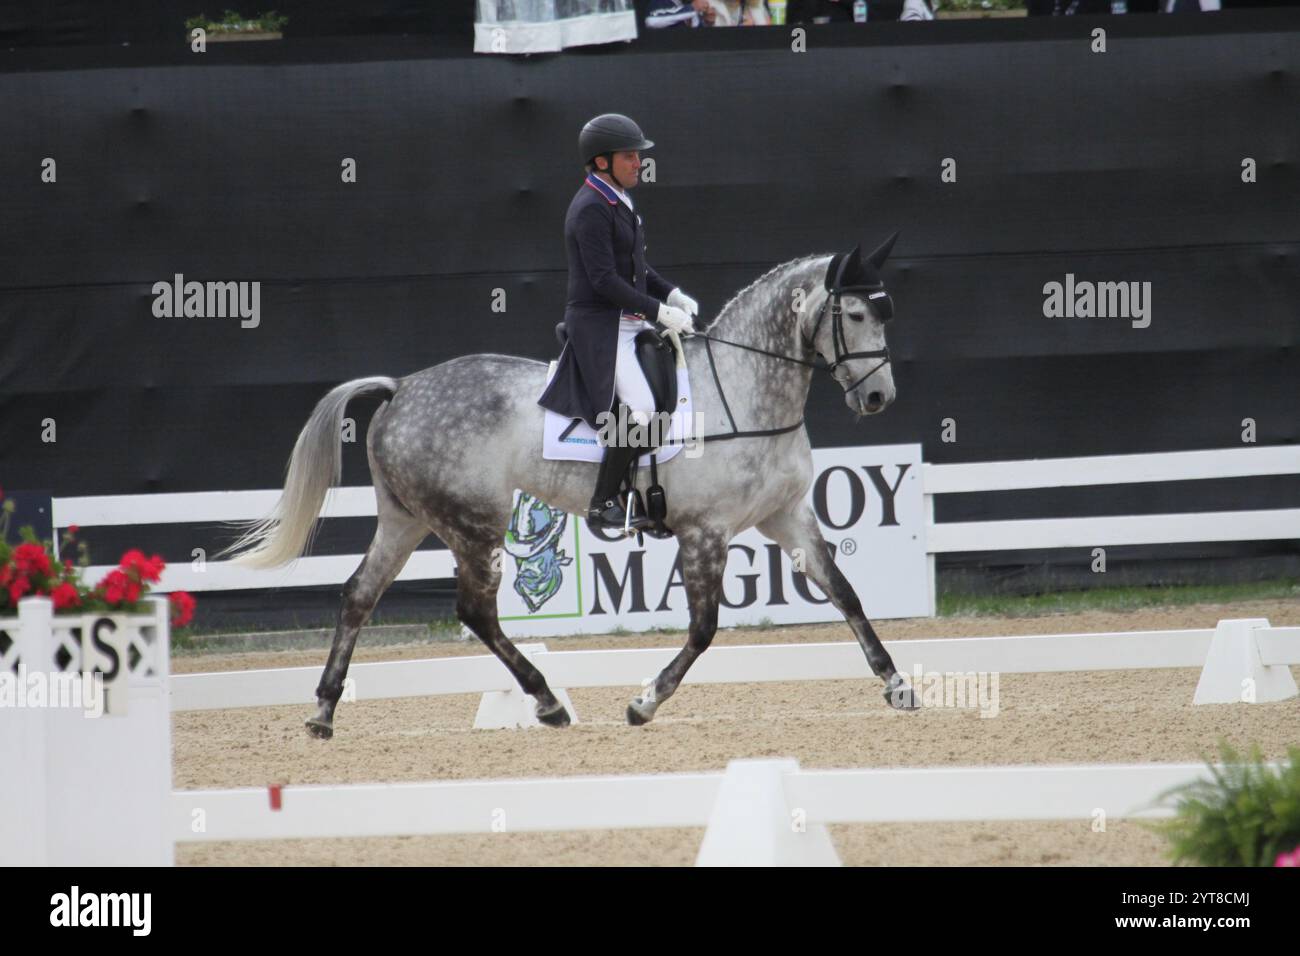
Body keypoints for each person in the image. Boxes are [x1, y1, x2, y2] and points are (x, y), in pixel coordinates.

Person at [537, 113, 698, 535]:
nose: (638, 162)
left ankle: (645, 493)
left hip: (628, 320)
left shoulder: (619, 200)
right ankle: (603, 502)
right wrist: (659, 313)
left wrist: (671, 293)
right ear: (603, 161)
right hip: (600, 325)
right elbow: (605, 281)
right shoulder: (589, 207)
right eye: (630, 156)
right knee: (643, 410)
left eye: (637, 156)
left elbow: (636, 269)